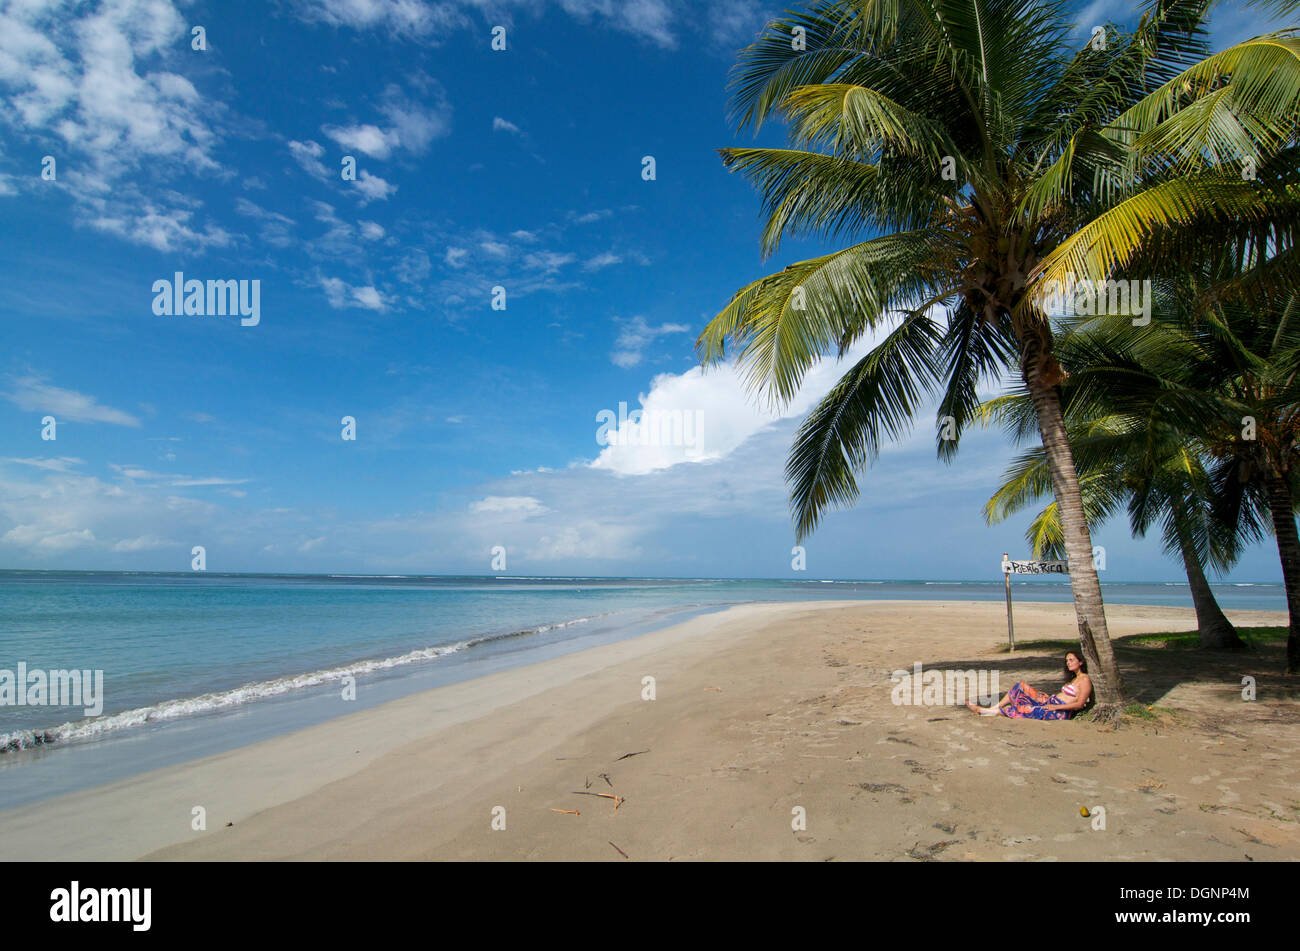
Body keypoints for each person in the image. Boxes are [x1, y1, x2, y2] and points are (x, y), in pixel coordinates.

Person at [966, 651, 1091, 720]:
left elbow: (1079, 703)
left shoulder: (1084, 679)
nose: (1068, 663)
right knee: (1020, 687)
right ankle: (994, 707)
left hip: (1059, 712)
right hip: (1051, 701)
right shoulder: (1074, 679)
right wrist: (1051, 698)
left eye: (1071, 660)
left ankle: (983, 711)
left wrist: (1054, 707)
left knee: (1023, 709)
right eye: (1067, 661)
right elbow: (1065, 695)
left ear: (1080, 662)